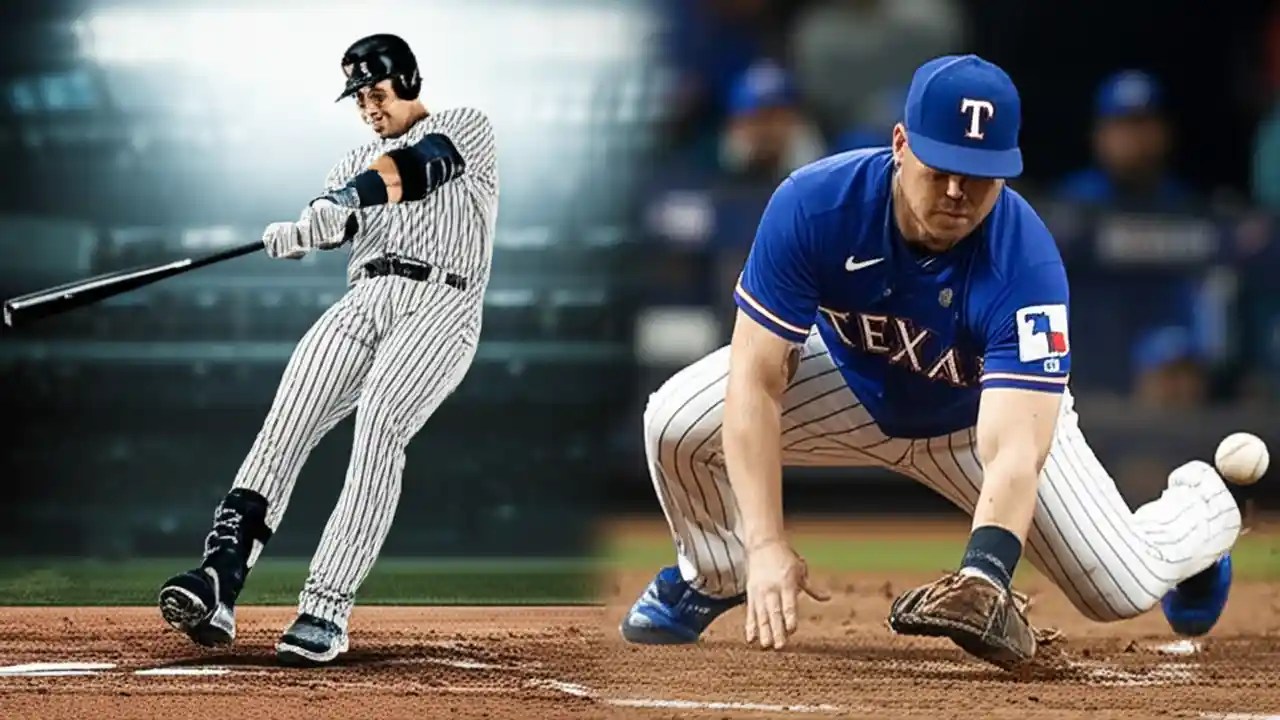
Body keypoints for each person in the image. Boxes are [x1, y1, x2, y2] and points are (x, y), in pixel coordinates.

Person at [619, 54, 1244, 671]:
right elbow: (756, 380)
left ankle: (1198, 515)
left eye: (979, 174)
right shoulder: (815, 205)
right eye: (941, 166)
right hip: (849, 380)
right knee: (674, 420)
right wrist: (762, 544)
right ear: (900, 144)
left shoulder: (1027, 264)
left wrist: (985, 568)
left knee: (1121, 589)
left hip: (973, 419)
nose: (955, 191)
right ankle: (715, 573)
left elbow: (1014, 450)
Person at [157, 33, 498, 666]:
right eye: (359, 97)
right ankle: (218, 580)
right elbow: (338, 217)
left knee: (379, 423)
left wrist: (341, 201)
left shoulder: (465, 127)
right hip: (365, 299)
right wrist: (306, 227)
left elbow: (416, 171)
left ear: (410, 79)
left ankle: (326, 605)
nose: (369, 106)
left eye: (378, 91)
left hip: (443, 303)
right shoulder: (350, 164)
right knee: (285, 423)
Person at [1056, 70, 1196, 211]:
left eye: (1142, 123)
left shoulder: (1188, 203)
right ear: (1098, 135)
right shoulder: (1069, 199)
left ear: (1165, 132)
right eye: (1120, 123)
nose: (1133, 137)